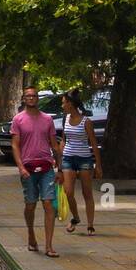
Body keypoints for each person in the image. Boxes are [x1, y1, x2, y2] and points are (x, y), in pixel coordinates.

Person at [10, 86, 63, 257]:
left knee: (48, 204)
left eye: (34, 96)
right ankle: (31, 233)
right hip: (28, 167)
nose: (31, 98)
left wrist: (60, 168)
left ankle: (48, 245)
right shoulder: (18, 120)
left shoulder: (47, 119)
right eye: (28, 96)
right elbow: (15, 145)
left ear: (37, 98)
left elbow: (54, 145)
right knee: (30, 205)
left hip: (46, 166)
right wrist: (20, 167)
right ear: (23, 98)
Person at [59, 89, 102, 235]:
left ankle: (90, 224)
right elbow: (63, 141)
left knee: (86, 192)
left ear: (70, 104)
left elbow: (94, 144)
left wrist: (98, 166)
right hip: (68, 158)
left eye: (64, 103)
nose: (62, 106)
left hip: (84, 159)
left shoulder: (86, 122)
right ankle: (76, 217)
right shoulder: (65, 119)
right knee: (68, 191)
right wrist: (59, 162)